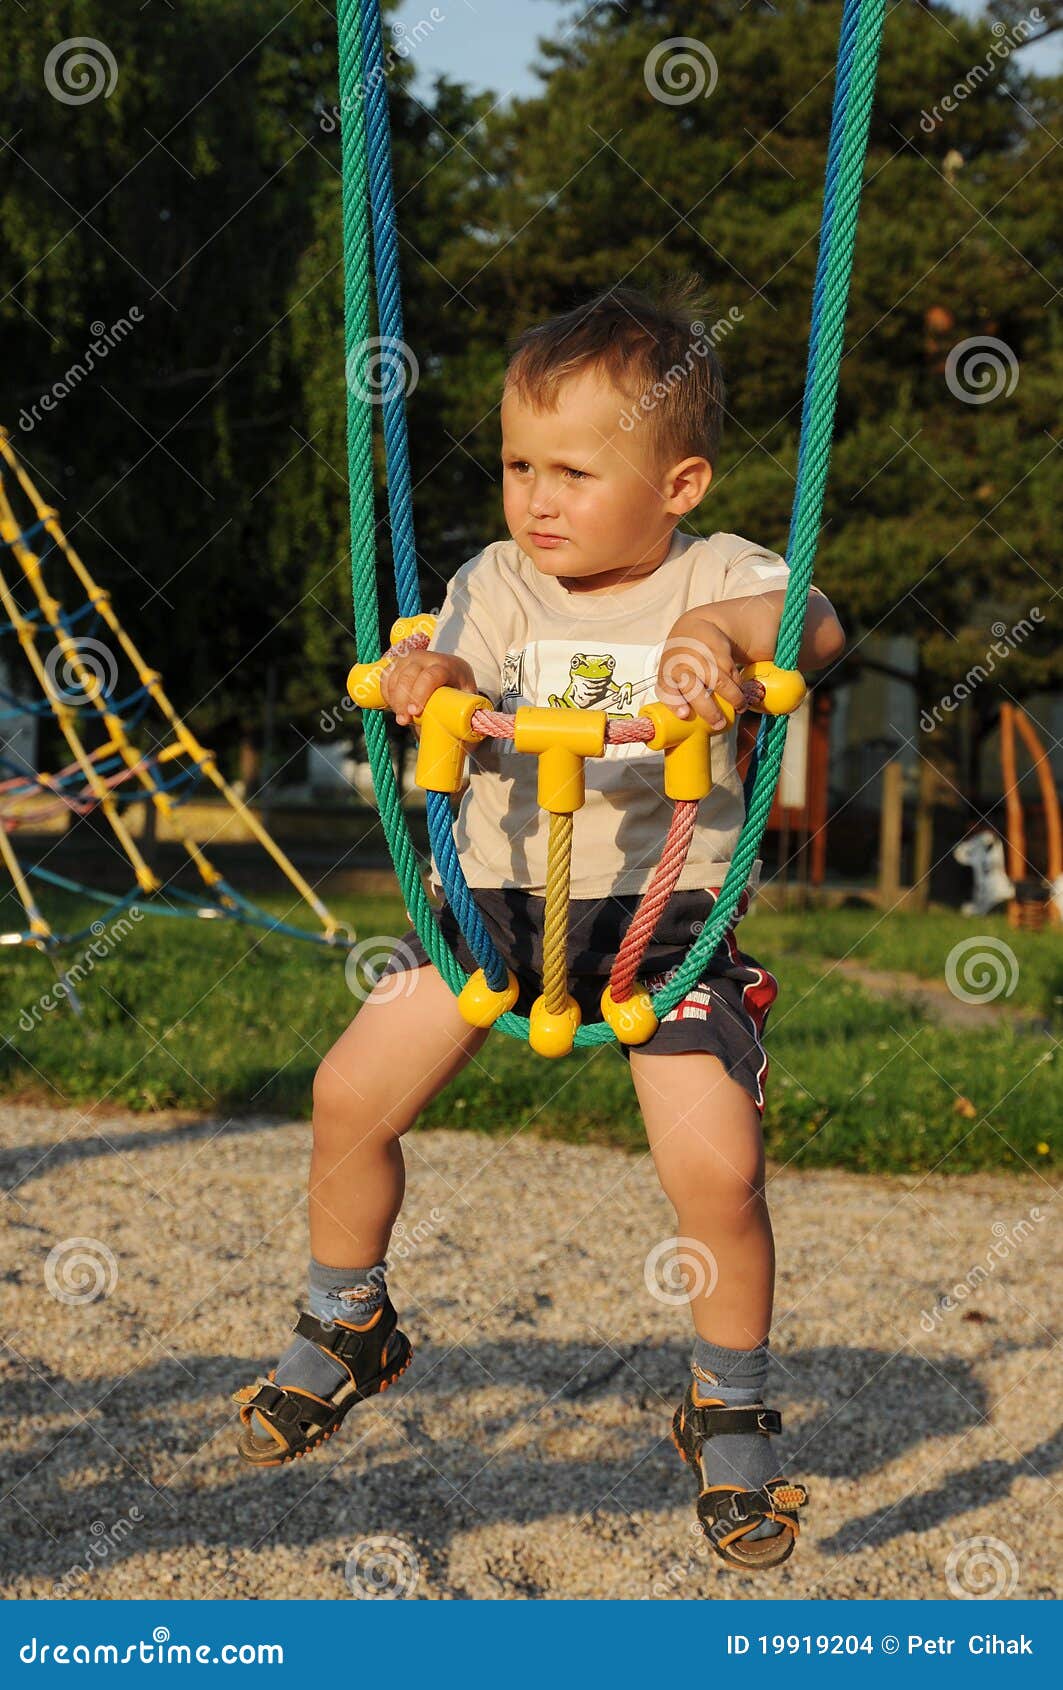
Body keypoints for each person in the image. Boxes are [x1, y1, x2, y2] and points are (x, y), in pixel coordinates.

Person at [232, 279, 844, 1568]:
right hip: (492, 917)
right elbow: (453, 661)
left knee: (718, 1177)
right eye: (519, 465)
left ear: (678, 485)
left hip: (667, 932)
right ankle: (350, 1317)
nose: (538, 498)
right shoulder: (499, 579)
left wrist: (715, 642)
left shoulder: (722, 571)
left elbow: (814, 622)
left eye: (573, 470)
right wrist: (427, 675)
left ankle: (727, 1400)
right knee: (348, 1099)